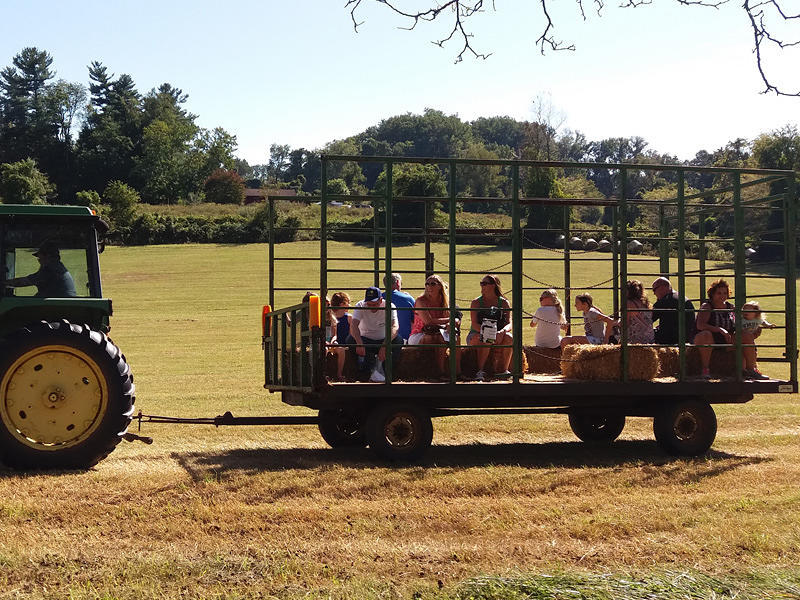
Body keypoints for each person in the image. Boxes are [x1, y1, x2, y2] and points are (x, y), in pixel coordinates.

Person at [694, 279, 762, 380]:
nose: (722, 295)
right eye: (719, 293)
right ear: (712, 294)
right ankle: (705, 369)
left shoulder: (731, 307)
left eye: (725, 293)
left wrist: (754, 329)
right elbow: (700, 325)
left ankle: (751, 370)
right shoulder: (707, 306)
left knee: (746, 335)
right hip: (710, 339)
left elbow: (740, 324)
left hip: (727, 339)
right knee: (706, 334)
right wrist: (720, 330)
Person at [408, 274, 461, 379]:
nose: (429, 286)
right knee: (437, 338)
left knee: (456, 338)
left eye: (432, 284)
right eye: (427, 284)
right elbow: (428, 322)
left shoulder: (444, 301)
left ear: (440, 286)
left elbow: (450, 319)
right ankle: (440, 372)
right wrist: (451, 320)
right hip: (419, 334)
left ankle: (457, 372)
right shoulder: (421, 301)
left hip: (439, 332)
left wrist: (451, 323)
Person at [350, 286, 403, 380]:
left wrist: (385, 345)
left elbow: (395, 327)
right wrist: (359, 342)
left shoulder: (390, 306)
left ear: (381, 300)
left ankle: (389, 372)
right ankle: (360, 373)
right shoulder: (360, 305)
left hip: (384, 339)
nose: (371, 307)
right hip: (365, 338)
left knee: (398, 340)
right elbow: (353, 325)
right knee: (350, 340)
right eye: (369, 304)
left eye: (374, 304)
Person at [468, 274, 512, 381]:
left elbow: (509, 323)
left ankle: (504, 370)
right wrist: (489, 332)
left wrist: (502, 332)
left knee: (509, 338)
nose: (482, 286)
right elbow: (474, 324)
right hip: (477, 333)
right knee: (487, 338)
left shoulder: (504, 302)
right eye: (481, 283)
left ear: (493, 285)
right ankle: (480, 371)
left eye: (484, 284)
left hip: (498, 333)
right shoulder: (476, 302)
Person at [2, 241, 77, 298]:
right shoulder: (57, 267)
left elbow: (24, 282)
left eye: (40, 258)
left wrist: (4, 283)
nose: (39, 261)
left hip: (55, 306)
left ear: (48, 256)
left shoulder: (50, 269)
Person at [651, 277, 695, 344]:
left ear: (662, 287)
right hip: (687, 338)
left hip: (669, 339)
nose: (654, 293)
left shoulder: (664, 301)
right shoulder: (683, 298)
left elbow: (648, 319)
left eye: (654, 290)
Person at [382, 273, 415, 343]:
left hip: (381, 338)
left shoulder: (379, 299)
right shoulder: (408, 299)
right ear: (397, 282)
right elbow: (416, 319)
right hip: (405, 339)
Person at [324, 294, 347, 381]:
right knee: (324, 350)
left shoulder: (332, 318)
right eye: (324, 305)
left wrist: (332, 341)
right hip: (321, 342)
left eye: (328, 305)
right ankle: (323, 374)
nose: (326, 307)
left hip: (330, 341)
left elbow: (334, 335)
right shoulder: (317, 317)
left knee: (341, 349)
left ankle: (339, 374)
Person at [625, 280, 654, 344]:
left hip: (636, 339)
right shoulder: (646, 303)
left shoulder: (629, 303)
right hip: (649, 337)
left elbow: (625, 323)